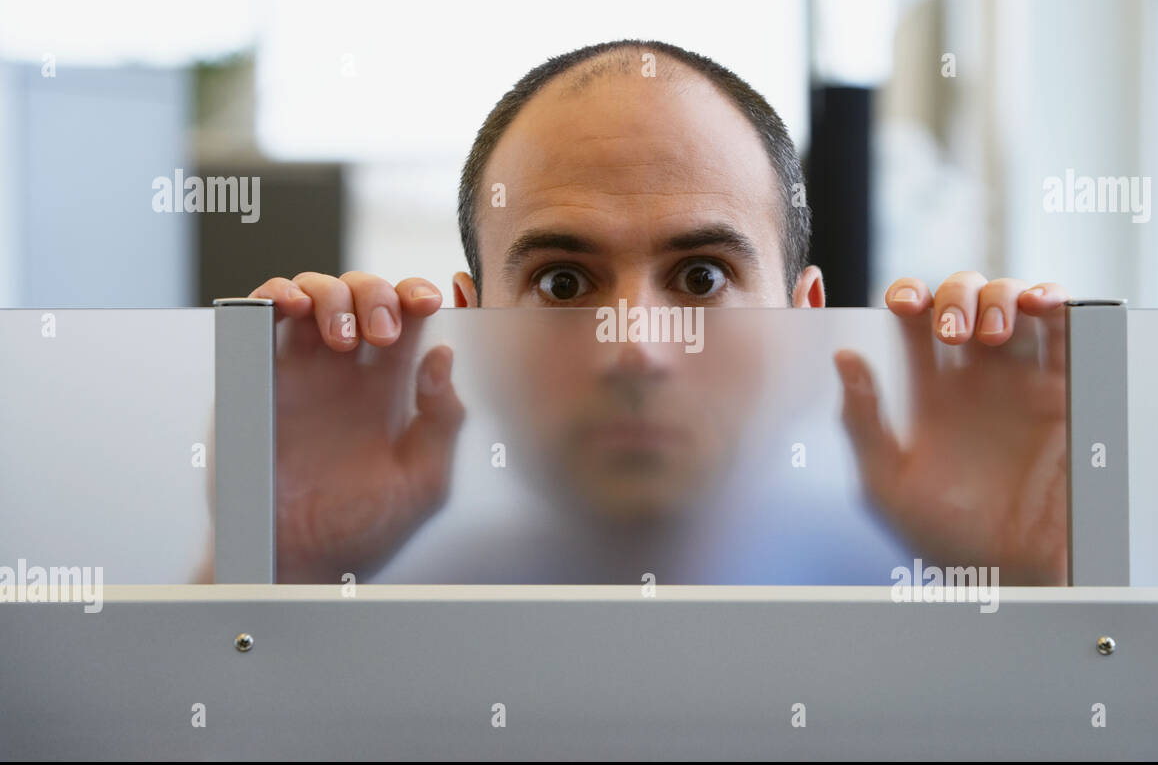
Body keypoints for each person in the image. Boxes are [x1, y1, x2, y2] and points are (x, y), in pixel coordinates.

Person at [228, 39, 1069, 586]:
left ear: (804, 319)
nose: (636, 349)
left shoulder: (933, 593)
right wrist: (269, 577)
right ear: (470, 324)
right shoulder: (374, 608)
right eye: (563, 284)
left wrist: (1040, 593)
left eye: (701, 278)